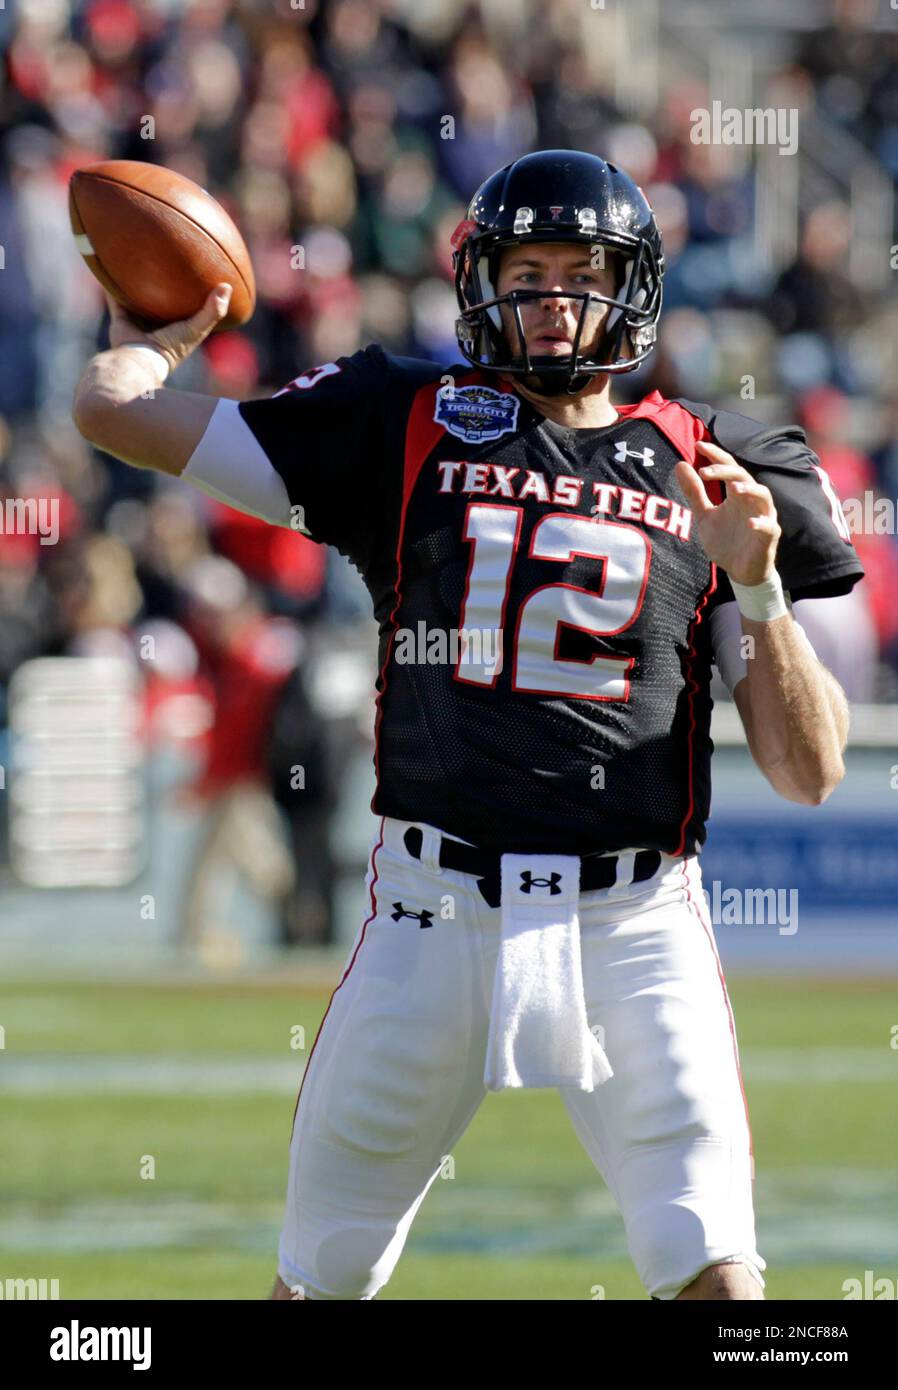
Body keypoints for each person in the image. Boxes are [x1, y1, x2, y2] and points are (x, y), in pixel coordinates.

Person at [73, 150, 863, 1301]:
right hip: (432, 914)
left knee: (722, 1288)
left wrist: (758, 583)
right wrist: (156, 331)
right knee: (317, 1281)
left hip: (634, 927)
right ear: (477, 281)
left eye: (576, 270)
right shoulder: (398, 416)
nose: (547, 298)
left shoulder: (722, 464)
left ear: (632, 284)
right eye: (522, 268)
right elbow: (113, 411)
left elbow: (810, 770)